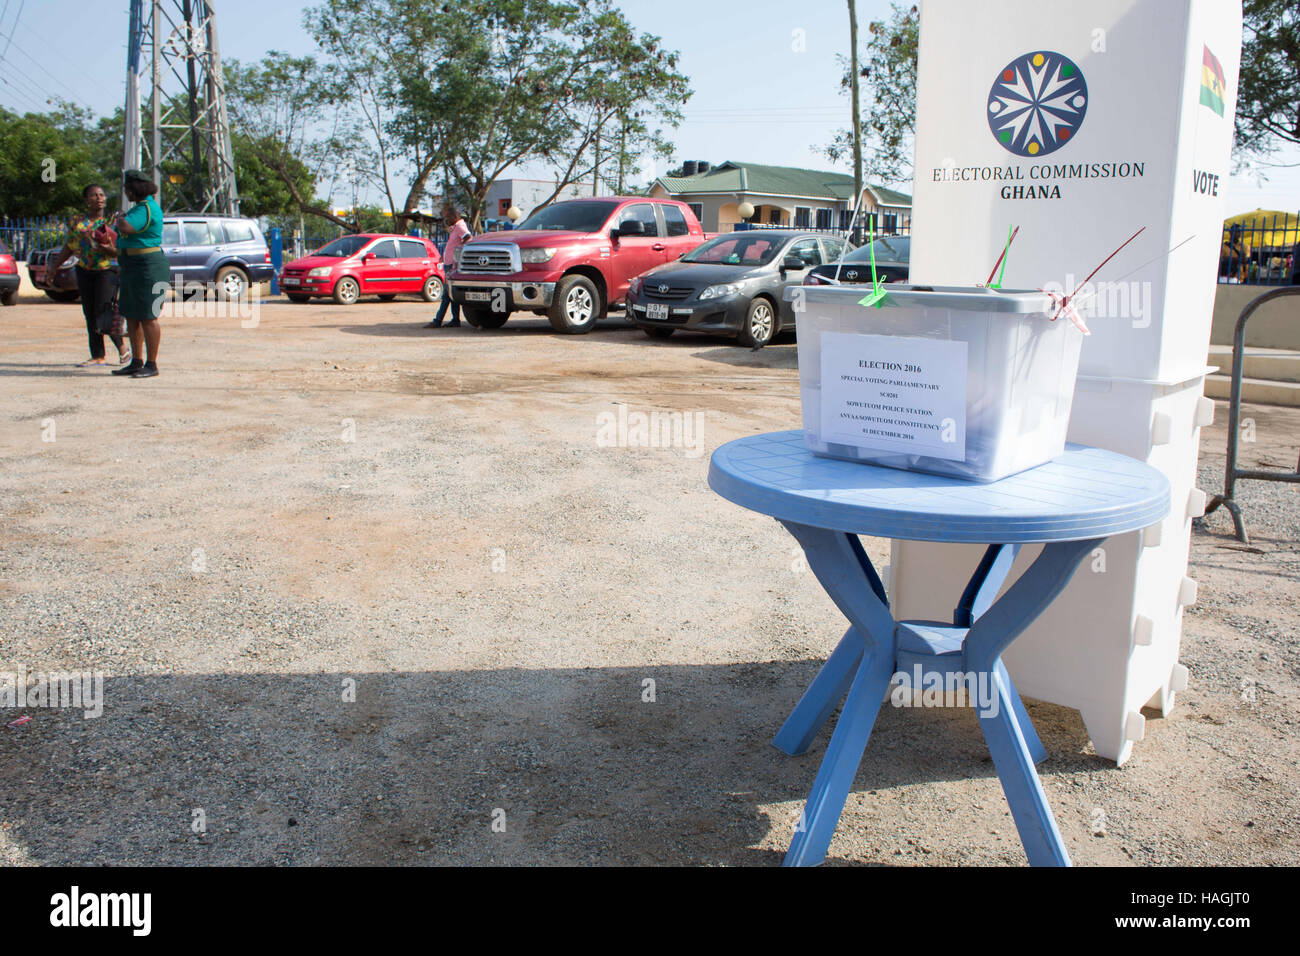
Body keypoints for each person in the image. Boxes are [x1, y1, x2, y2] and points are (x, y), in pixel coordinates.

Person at [96, 170, 169, 379]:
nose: (126, 193)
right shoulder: (138, 208)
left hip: (148, 267)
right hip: (132, 264)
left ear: (135, 189)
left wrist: (118, 220)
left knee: (148, 315)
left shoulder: (146, 208)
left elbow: (126, 226)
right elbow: (128, 243)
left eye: (127, 189)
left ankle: (151, 364)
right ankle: (136, 361)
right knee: (132, 315)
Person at [47, 184, 129, 367]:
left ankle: (123, 349)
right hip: (84, 269)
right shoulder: (77, 221)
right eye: (94, 195)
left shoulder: (114, 220)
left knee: (104, 310)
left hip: (108, 269)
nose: (99, 198)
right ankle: (98, 355)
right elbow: (69, 246)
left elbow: (123, 247)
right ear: (86, 200)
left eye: (101, 194)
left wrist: (112, 250)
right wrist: (54, 267)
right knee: (90, 313)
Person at [425, 204, 470, 329]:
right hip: (448, 263)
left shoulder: (460, 226)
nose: (446, 219)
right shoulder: (455, 227)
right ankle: (455, 320)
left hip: (452, 265)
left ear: (455, 216)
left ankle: (438, 320)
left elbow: (468, 238)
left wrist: (459, 255)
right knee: (452, 295)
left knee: (446, 294)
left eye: (448, 217)